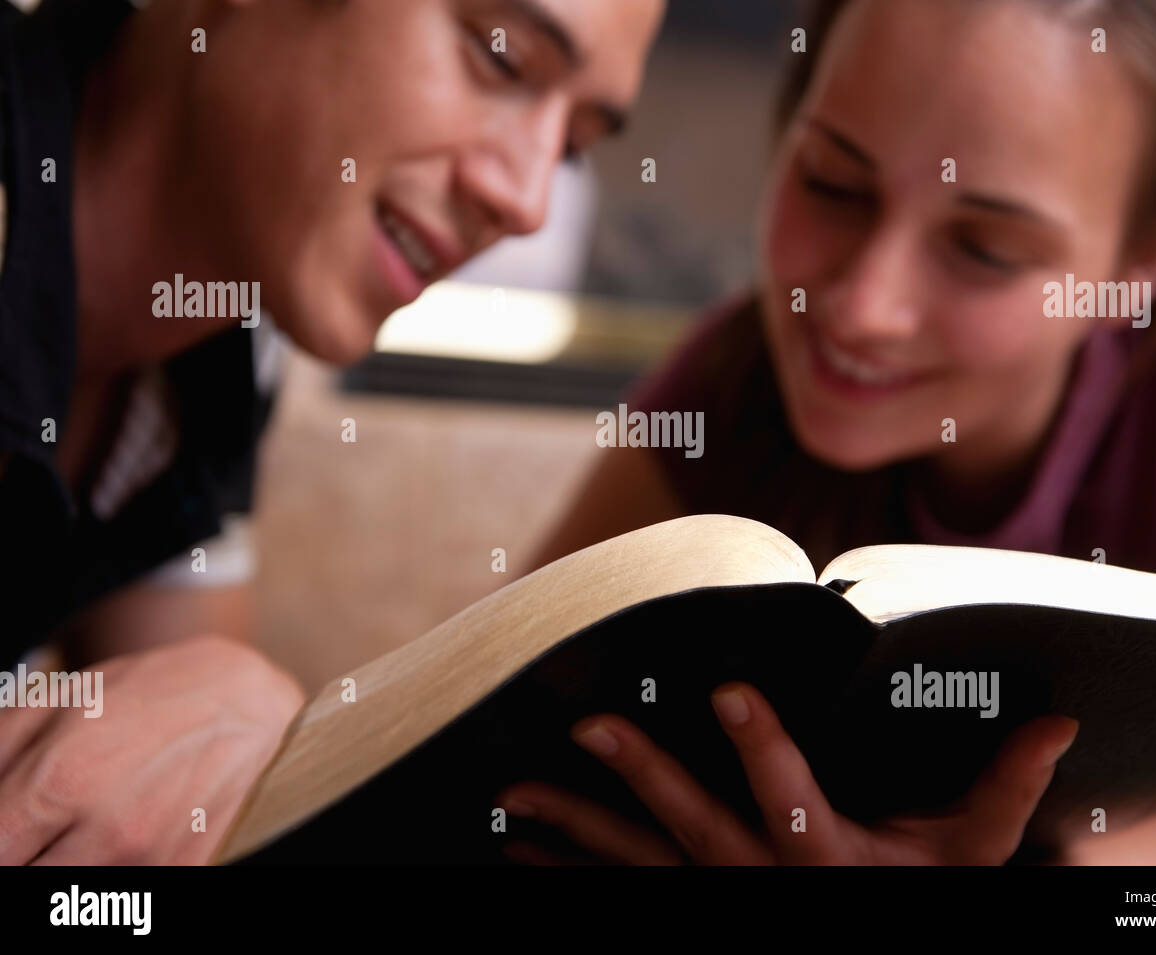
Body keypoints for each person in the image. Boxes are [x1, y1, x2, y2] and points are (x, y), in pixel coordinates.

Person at [506, 0, 1156, 864]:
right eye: (833, 185)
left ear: (1147, 260)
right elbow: (481, 722)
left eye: (986, 249)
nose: (862, 309)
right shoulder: (729, 391)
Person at [0, 0, 664, 864]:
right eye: (499, 58)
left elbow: (199, 760)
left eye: (573, 143)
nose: (529, 200)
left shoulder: (221, 342)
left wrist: (253, 704)